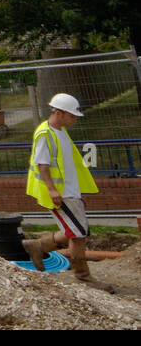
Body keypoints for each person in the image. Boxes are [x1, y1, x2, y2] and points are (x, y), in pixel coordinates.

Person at [21, 93, 112, 291]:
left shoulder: (60, 131)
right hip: (60, 194)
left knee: (76, 231)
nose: (74, 119)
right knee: (79, 234)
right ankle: (83, 276)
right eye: (71, 115)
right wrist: (53, 190)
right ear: (59, 113)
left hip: (70, 192)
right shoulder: (45, 134)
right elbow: (42, 165)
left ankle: (38, 246)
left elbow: (68, 164)